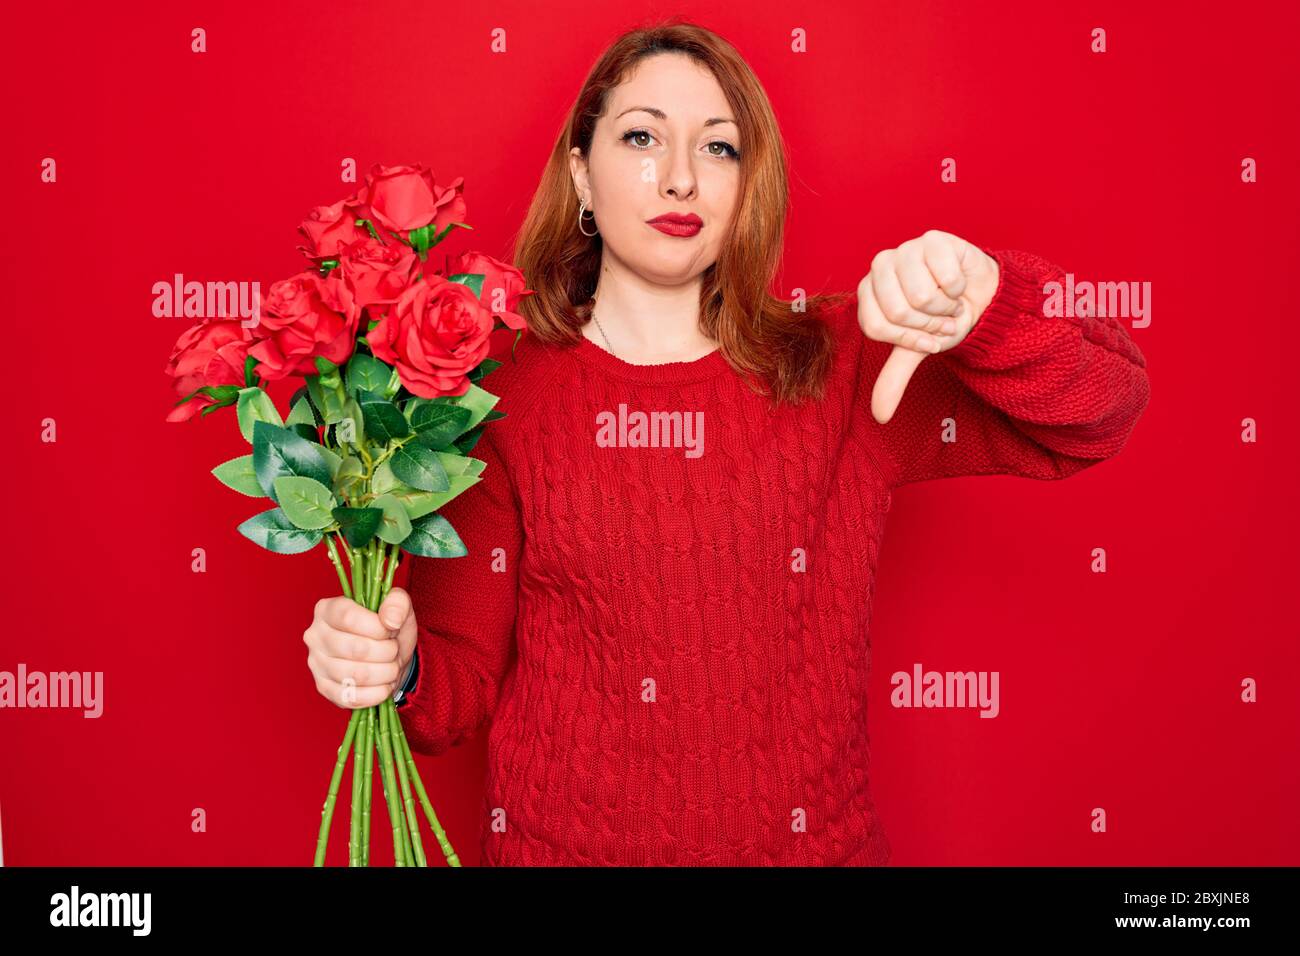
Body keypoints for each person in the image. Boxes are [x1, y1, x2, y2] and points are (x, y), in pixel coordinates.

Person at [301, 20, 1151, 866]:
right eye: (641, 137)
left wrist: (988, 305)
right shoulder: (496, 404)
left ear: (750, 185)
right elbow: (450, 699)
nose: (679, 179)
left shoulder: (840, 368)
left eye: (719, 149)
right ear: (580, 175)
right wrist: (393, 666)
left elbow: (1100, 414)